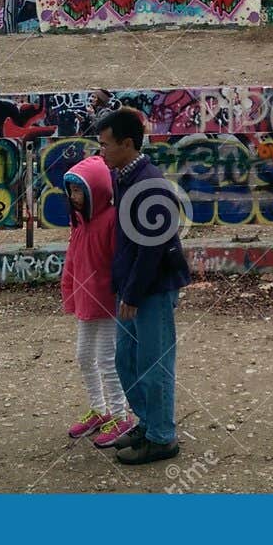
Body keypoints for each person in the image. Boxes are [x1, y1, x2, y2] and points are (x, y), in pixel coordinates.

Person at [96, 109, 190, 465]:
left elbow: (153, 248)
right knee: (127, 360)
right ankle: (147, 424)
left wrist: (132, 293)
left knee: (154, 363)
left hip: (151, 288)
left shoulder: (149, 184)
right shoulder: (124, 176)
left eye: (105, 145)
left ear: (128, 144)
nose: (100, 151)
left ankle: (162, 437)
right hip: (132, 287)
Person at [60, 155, 137, 447]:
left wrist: (123, 295)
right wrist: (69, 290)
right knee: (83, 356)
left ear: (97, 189)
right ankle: (100, 409)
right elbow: (73, 261)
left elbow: (120, 261)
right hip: (85, 303)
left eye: (79, 190)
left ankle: (121, 415)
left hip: (106, 304)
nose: (74, 196)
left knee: (108, 360)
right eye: (71, 190)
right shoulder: (79, 223)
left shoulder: (111, 221)